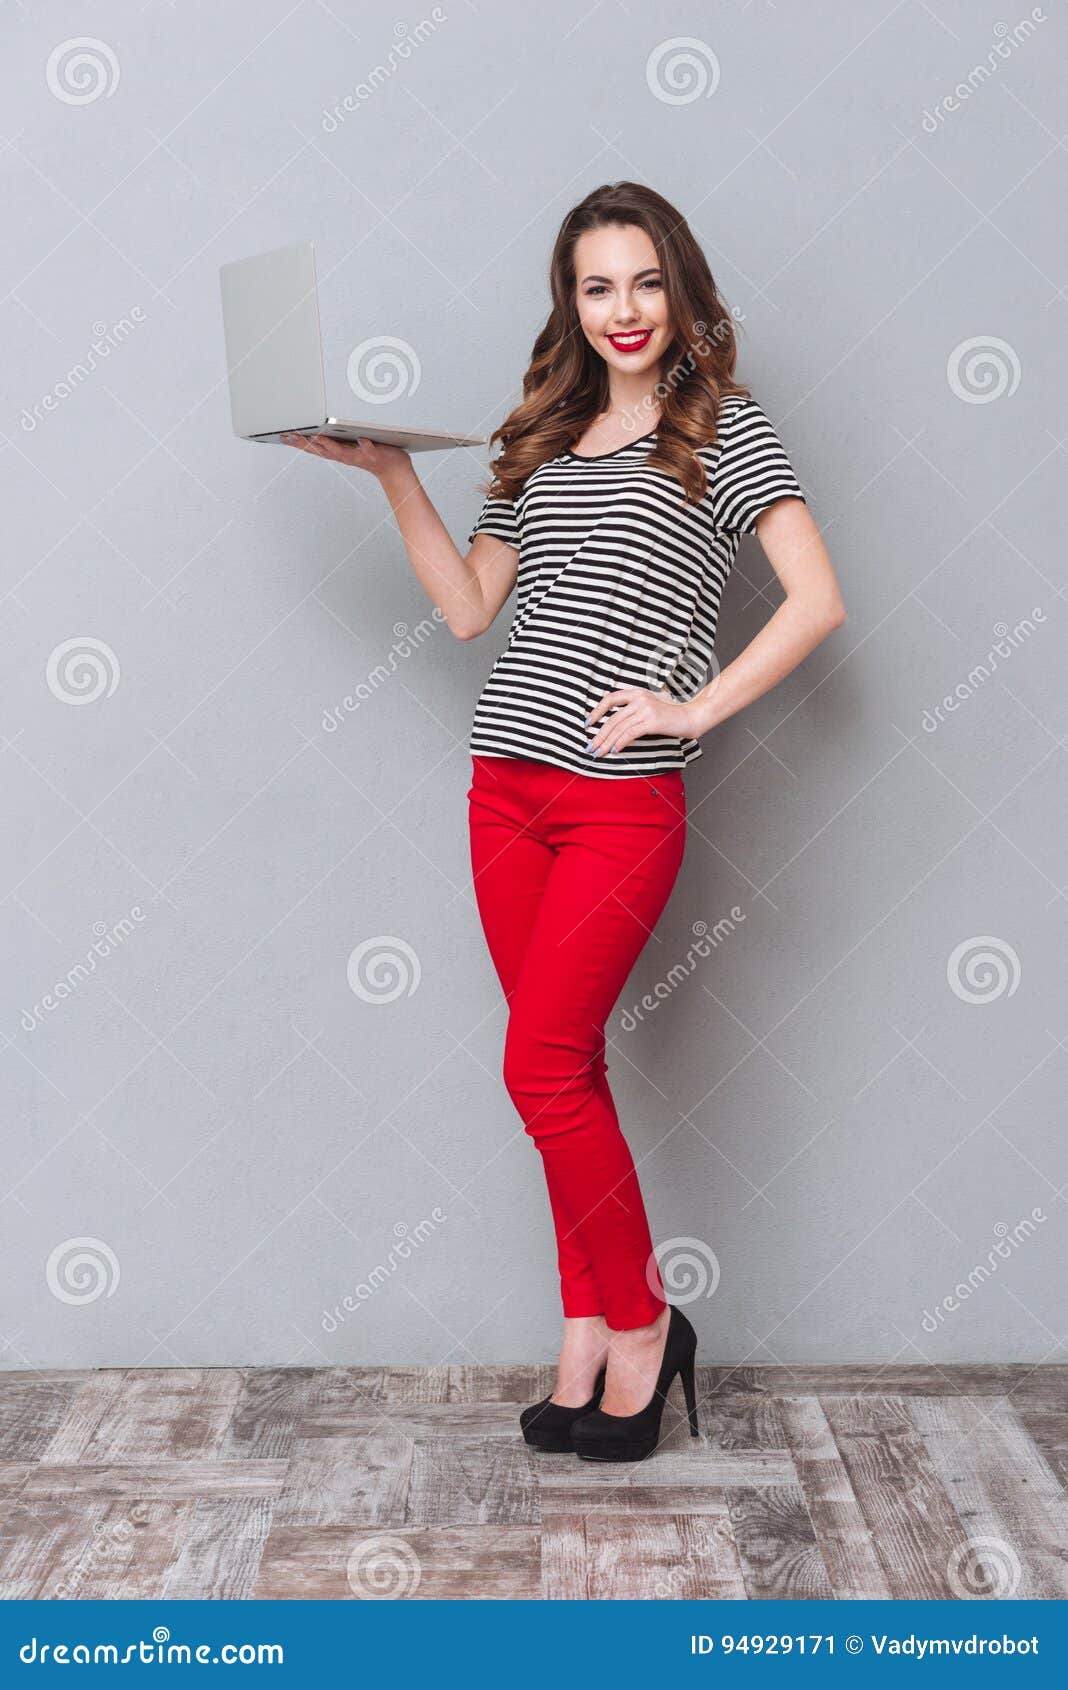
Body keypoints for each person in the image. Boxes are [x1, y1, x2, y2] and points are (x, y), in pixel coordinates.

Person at [282, 181, 845, 1462]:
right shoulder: (539, 436)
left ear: (681, 288)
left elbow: (815, 602)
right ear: (570, 302)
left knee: (539, 1066)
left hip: (615, 807)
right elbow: (475, 610)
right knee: (564, 1077)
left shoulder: (727, 430)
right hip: (504, 791)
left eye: (646, 282)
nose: (625, 310)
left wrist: (691, 705)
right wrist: (394, 477)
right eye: (598, 287)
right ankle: (585, 1327)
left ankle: (647, 1325)